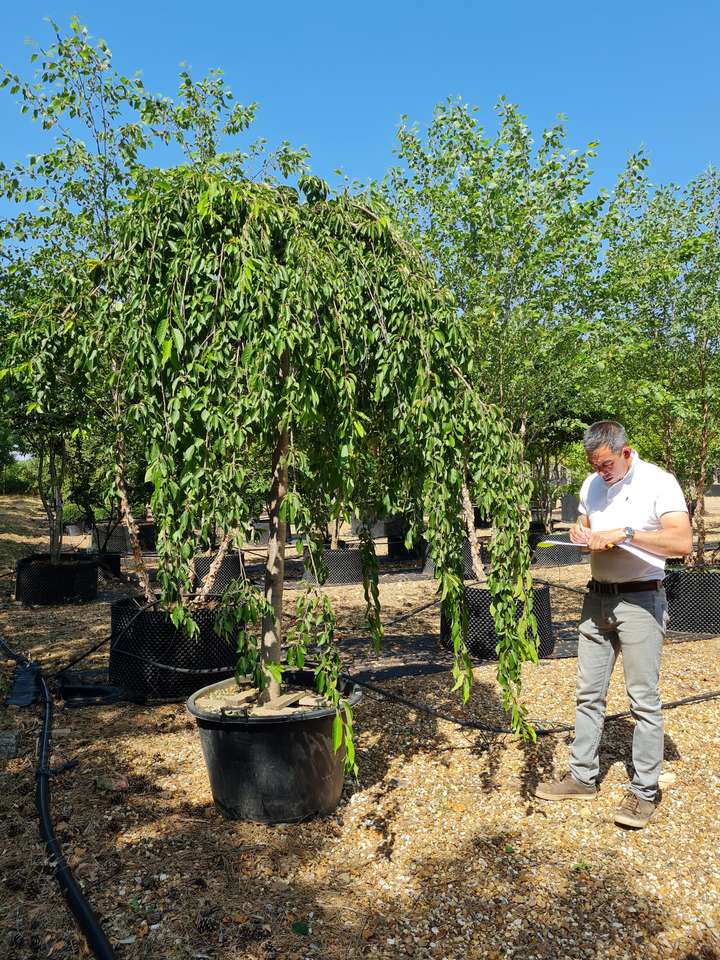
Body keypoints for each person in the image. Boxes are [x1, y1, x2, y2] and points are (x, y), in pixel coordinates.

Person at [534, 421, 692, 828]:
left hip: (641, 598)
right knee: (588, 693)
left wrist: (626, 534)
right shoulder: (591, 484)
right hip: (597, 596)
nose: (600, 472)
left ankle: (644, 792)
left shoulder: (660, 482)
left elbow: (681, 543)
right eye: (594, 465)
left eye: (605, 464)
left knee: (643, 699)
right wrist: (581, 531)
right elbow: (587, 525)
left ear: (625, 452)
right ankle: (583, 776)